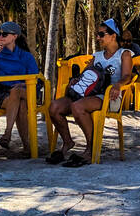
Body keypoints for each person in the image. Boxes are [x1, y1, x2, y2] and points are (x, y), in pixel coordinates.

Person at [47, 18, 135, 167]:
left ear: (113, 36)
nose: (98, 37)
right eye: (98, 34)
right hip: (88, 94)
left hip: (109, 96)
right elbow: (87, 74)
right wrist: (75, 80)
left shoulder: (124, 54)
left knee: (78, 107)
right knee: (54, 107)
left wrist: (118, 85)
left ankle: (90, 149)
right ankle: (67, 142)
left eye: (101, 34)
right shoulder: (97, 56)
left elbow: (128, 76)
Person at [0, 21, 40, 154]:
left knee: (18, 90)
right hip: (4, 95)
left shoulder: (26, 56)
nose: (0, 37)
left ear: (14, 36)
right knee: (21, 105)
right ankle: (27, 146)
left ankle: (7, 134)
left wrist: (24, 84)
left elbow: (36, 79)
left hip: (27, 92)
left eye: (4, 34)